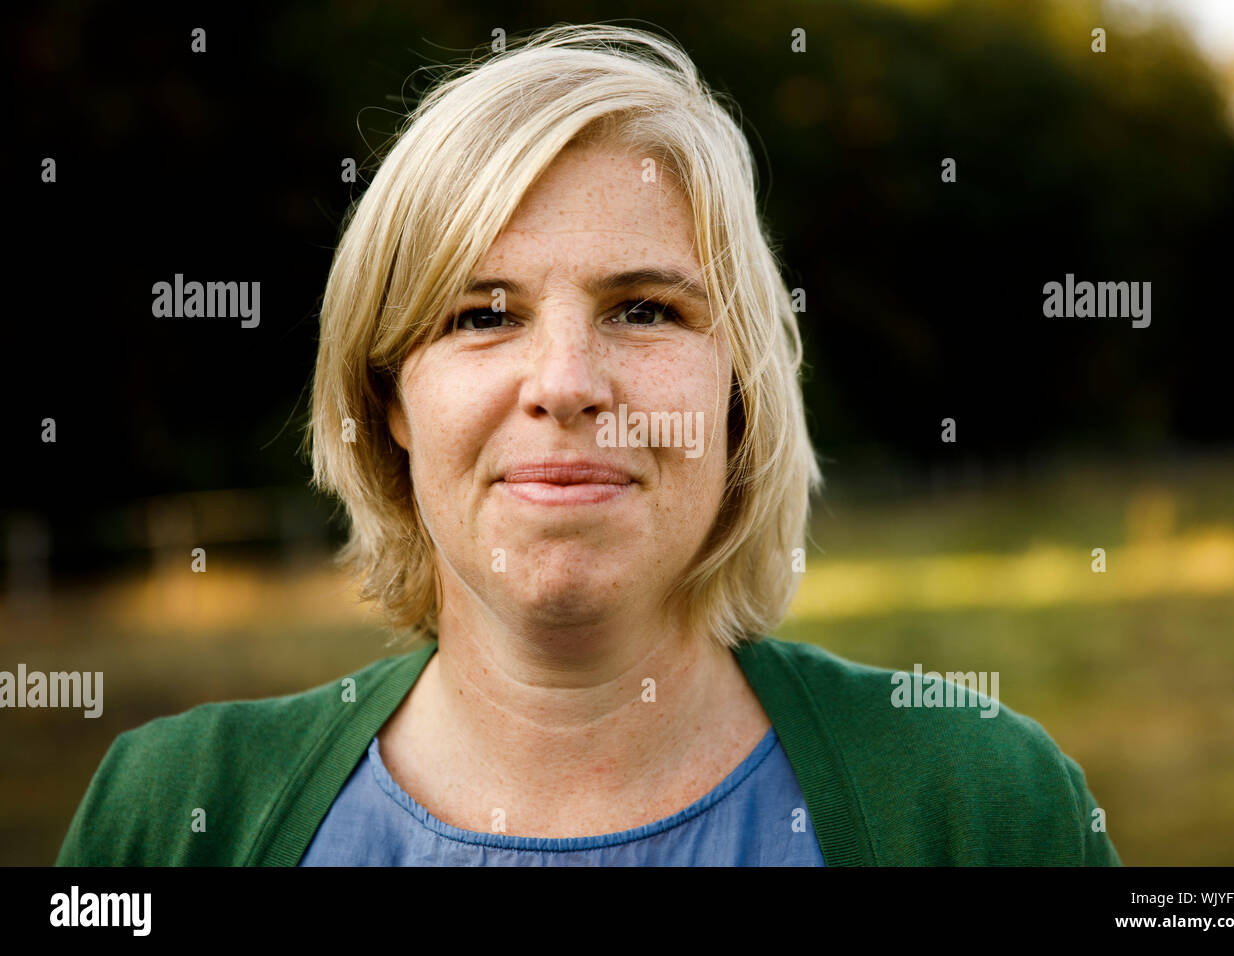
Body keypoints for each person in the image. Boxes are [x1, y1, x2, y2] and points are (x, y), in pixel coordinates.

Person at [56, 23, 1121, 866]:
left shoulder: (978, 800)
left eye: (645, 309)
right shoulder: (177, 808)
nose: (565, 383)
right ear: (389, 400)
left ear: (738, 389)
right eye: (480, 315)